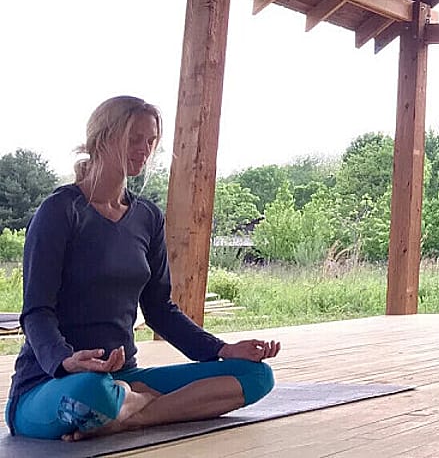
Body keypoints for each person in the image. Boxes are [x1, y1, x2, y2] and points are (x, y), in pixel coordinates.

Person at [6, 96, 280, 441]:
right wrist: (65, 361)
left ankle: (129, 415)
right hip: (51, 384)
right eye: (134, 138)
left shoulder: (147, 217)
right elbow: (35, 312)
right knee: (91, 390)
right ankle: (124, 405)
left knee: (256, 376)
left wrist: (222, 350)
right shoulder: (60, 212)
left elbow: (160, 310)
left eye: (151, 140)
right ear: (101, 138)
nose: (144, 149)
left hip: (127, 378)